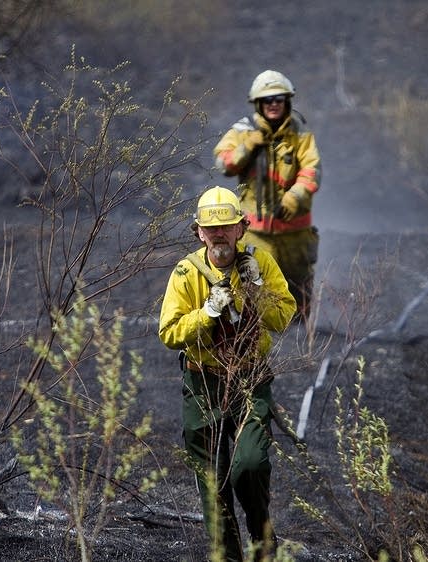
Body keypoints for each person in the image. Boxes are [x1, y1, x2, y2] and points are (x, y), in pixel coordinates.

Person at [158, 186, 297, 561]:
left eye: (226, 227)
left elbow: (284, 317)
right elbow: (169, 333)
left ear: (241, 228)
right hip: (203, 382)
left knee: (250, 465)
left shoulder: (262, 264)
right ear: (199, 232)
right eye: (210, 228)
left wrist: (256, 290)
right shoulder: (186, 272)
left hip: (251, 381)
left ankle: (262, 548)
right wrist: (207, 313)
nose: (219, 234)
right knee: (212, 483)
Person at [214, 69, 321, 320]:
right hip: (257, 231)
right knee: (256, 285)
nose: (274, 104)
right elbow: (223, 163)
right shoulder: (243, 130)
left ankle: (301, 340)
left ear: (287, 101)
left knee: (298, 286)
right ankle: (260, 339)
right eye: (268, 100)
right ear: (258, 103)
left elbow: (312, 169)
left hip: (295, 232)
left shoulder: (300, 133)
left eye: (279, 99)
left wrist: (295, 197)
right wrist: (249, 145)